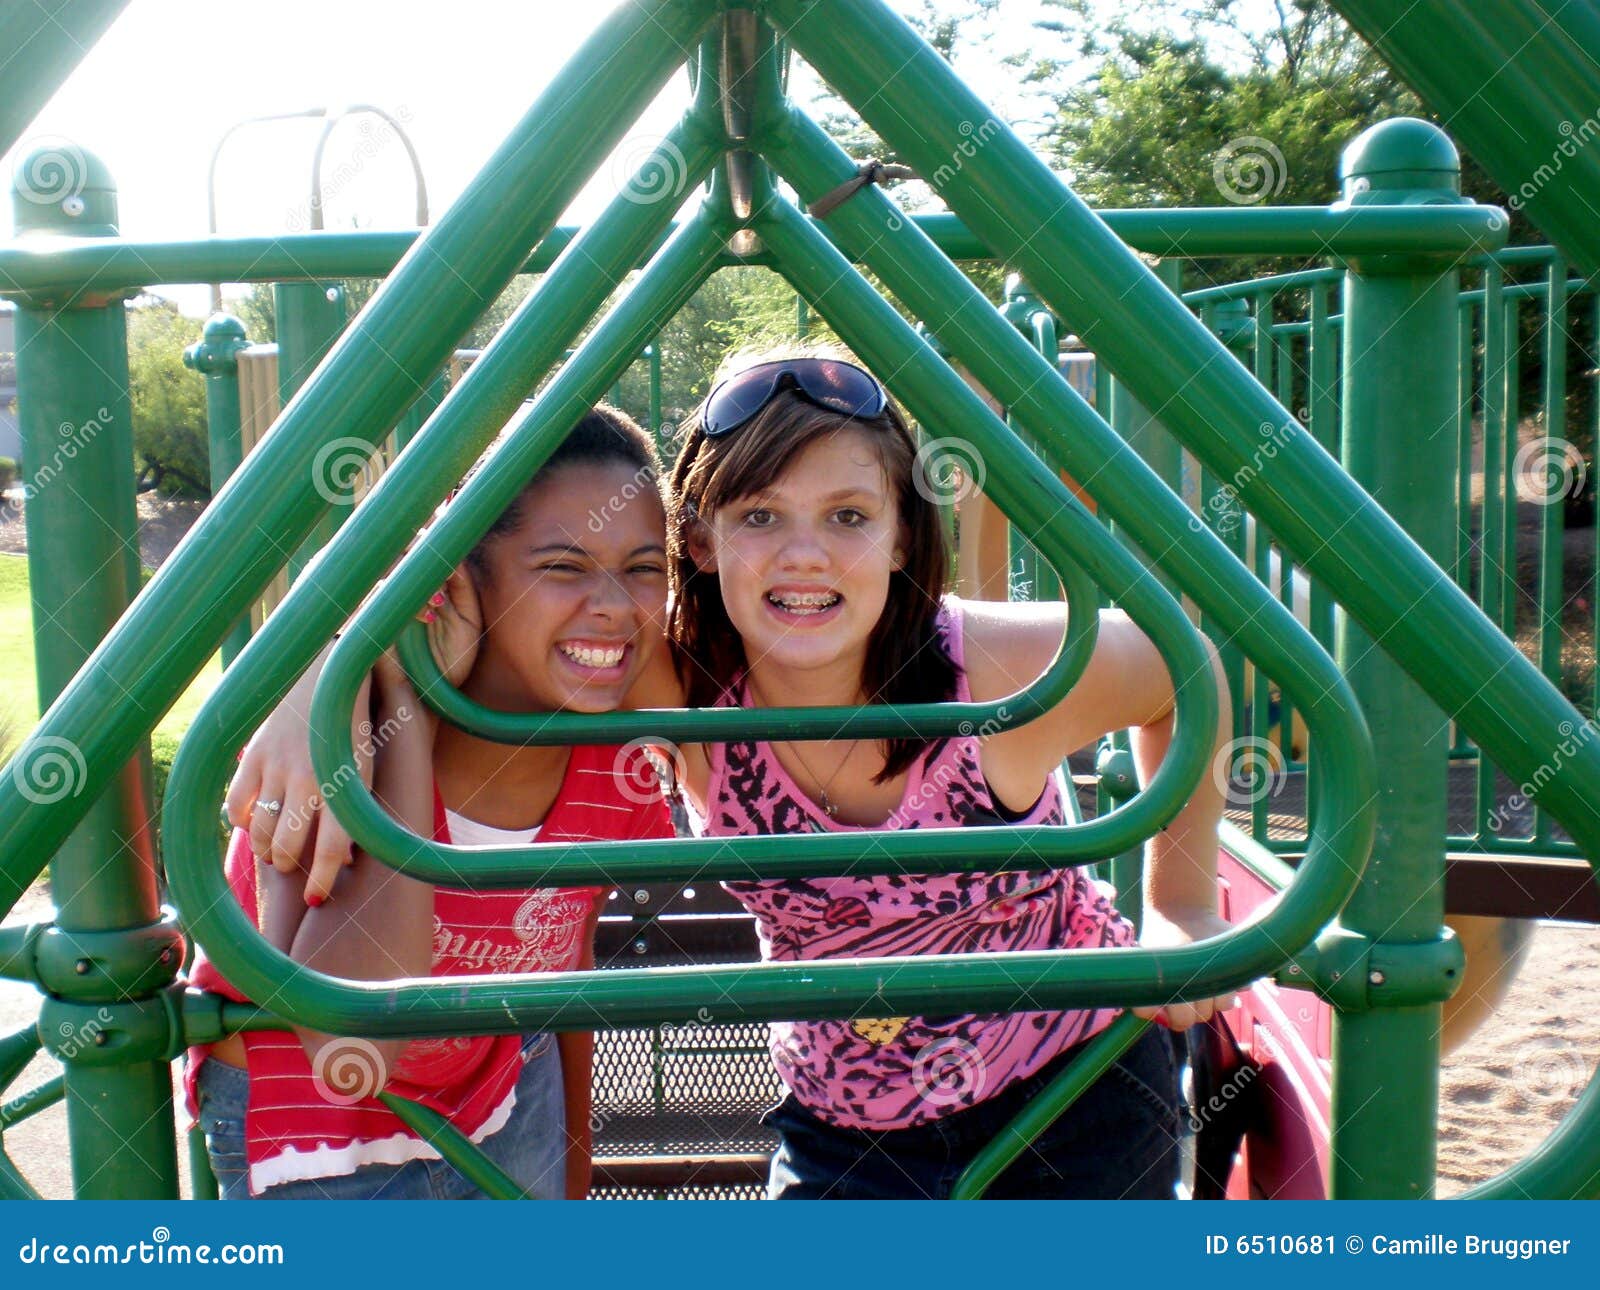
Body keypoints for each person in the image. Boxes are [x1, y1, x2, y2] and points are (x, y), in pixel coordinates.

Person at [233, 348, 1237, 1201]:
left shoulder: (994, 676)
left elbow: (1181, 670)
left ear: (901, 536)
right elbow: (458, 573)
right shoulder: (685, 680)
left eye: (848, 516)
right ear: (703, 543)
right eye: (759, 516)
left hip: (1070, 1097)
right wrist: (314, 678)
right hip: (844, 1129)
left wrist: (1180, 902)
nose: (805, 557)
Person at [185, 406, 674, 1199]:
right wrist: (398, 701)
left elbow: (568, 962)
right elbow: (350, 1044)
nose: (615, 604)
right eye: (562, 566)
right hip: (315, 1125)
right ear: (459, 577)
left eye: (644, 568)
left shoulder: (616, 754)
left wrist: (574, 1171)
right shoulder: (332, 742)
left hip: (500, 1100)